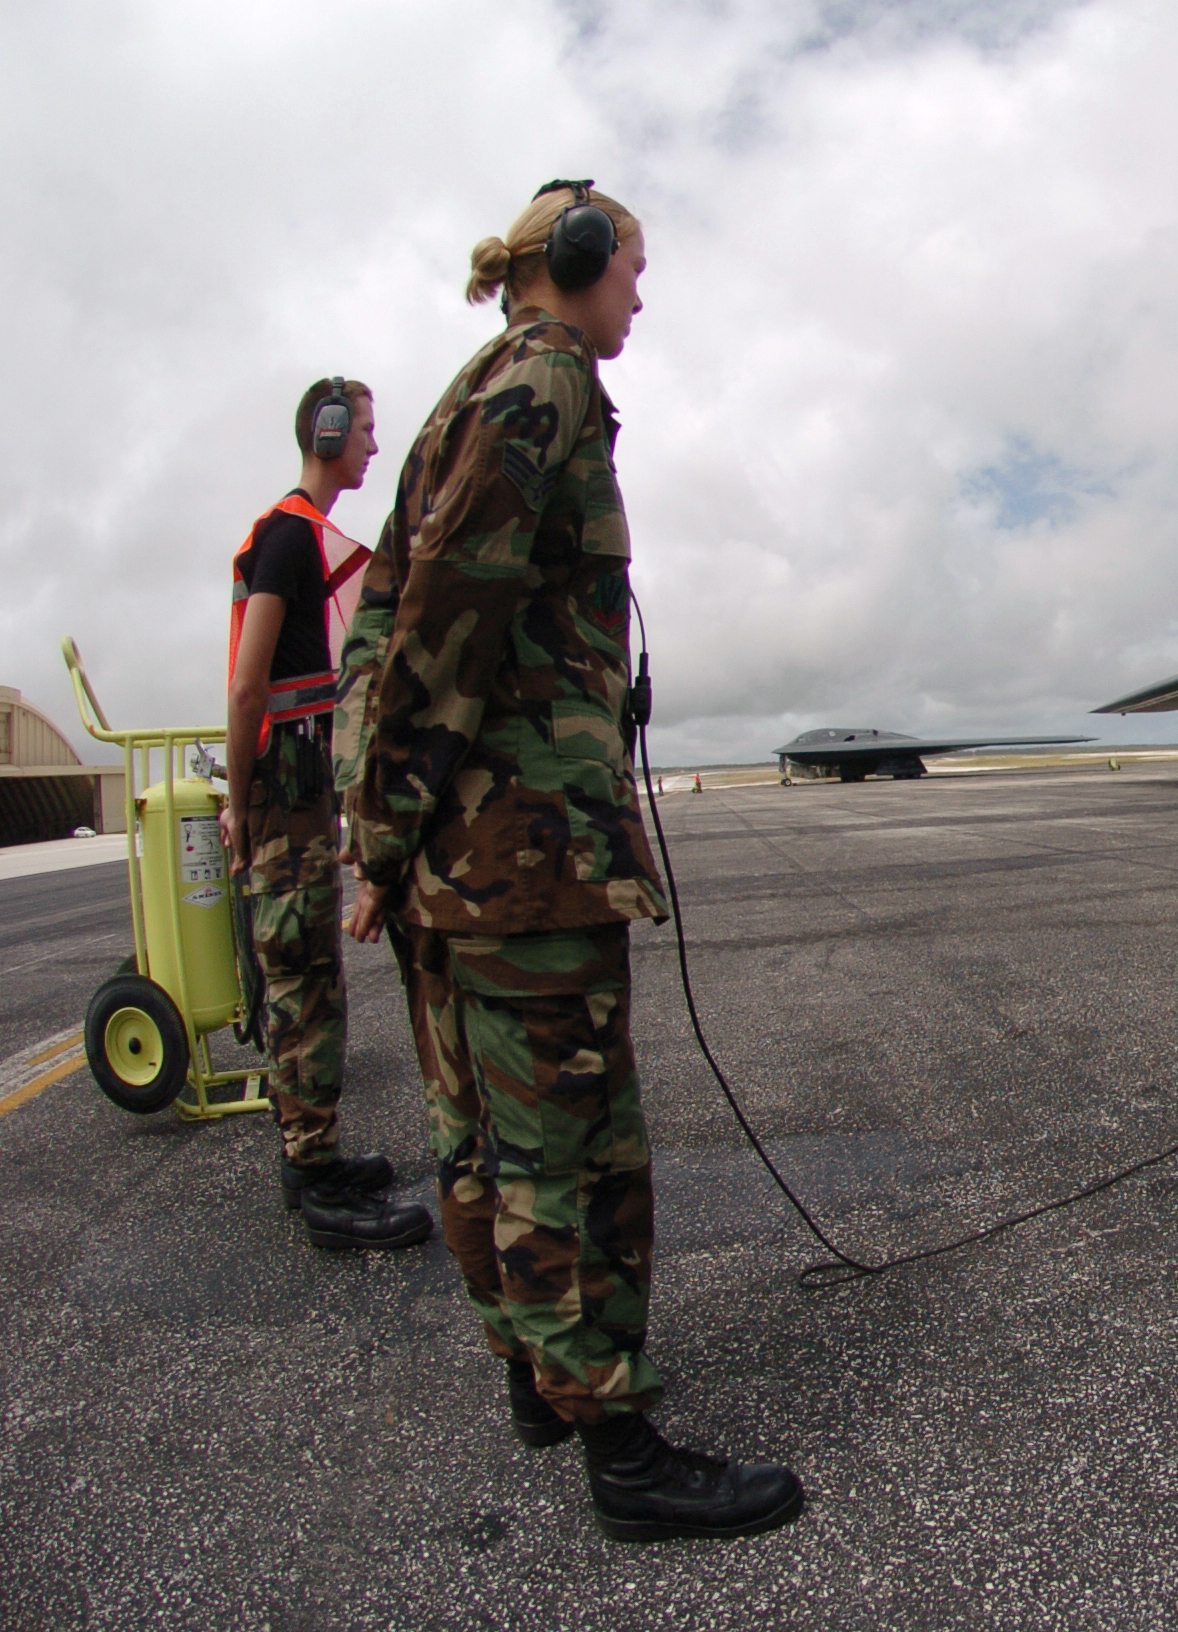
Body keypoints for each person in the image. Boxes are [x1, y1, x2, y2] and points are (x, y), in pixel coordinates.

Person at [334, 181, 803, 1544]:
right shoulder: (541, 390)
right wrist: (383, 833)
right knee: (573, 1150)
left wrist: (382, 832)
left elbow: (386, 633)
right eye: (635, 271)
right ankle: (623, 1447)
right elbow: (443, 625)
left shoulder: (463, 396)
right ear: (581, 264)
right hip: (518, 859)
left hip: (458, 853)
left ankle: (540, 1386)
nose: (642, 297)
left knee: (480, 1136)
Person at [224, 377, 433, 1251]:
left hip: (298, 793)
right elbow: (248, 687)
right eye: (368, 431)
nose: (375, 448)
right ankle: (314, 1180)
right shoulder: (287, 538)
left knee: (315, 978)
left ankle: (314, 1155)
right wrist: (243, 811)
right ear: (330, 430)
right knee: (302, 982)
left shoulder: (300, 538)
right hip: (279, 794)